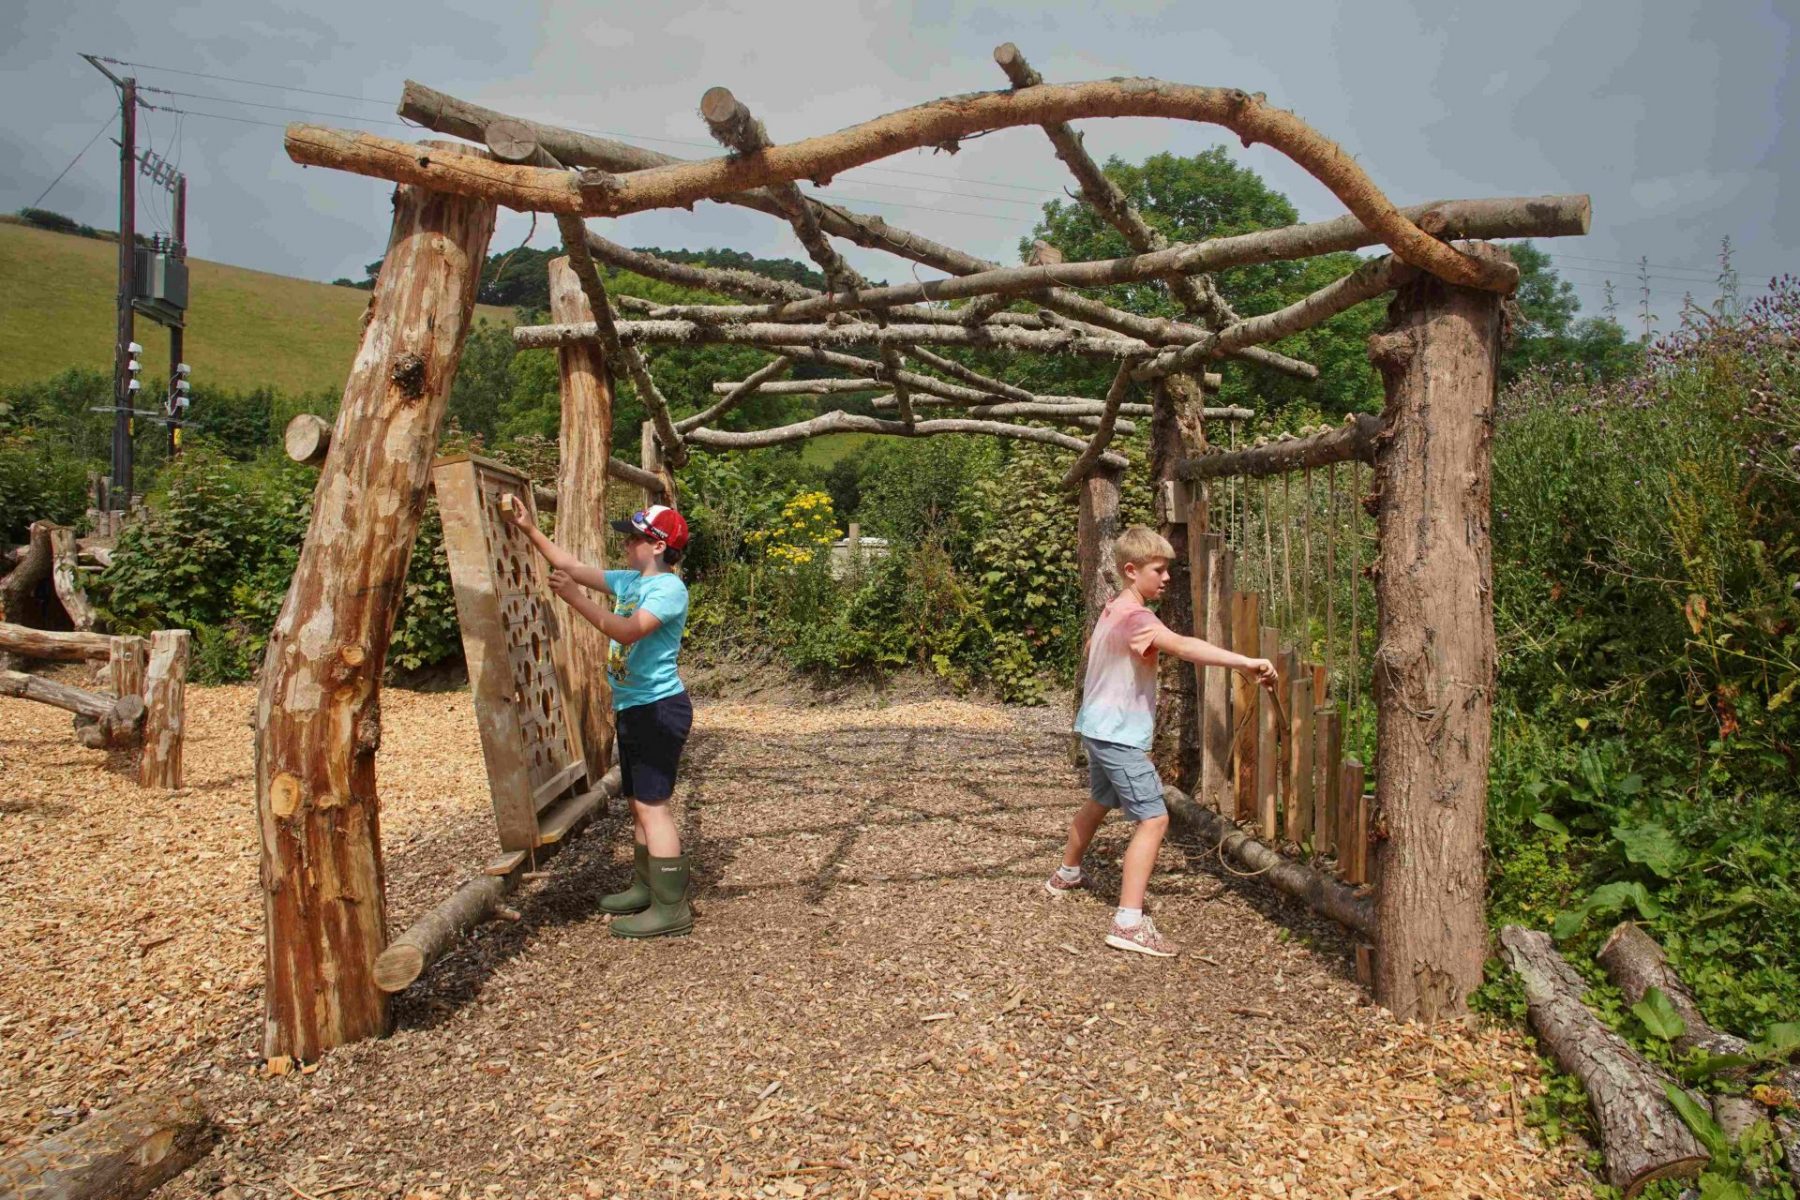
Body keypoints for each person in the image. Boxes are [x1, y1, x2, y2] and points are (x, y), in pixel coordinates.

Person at [1046, 526, 1278, 958]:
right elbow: (1184, 646)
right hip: (1116, 736)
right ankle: (1128, 922)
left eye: (1168, 569)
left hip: (1097, 728)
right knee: (1153, 819)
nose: (1167, 577)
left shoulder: (1113, 609)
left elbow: (1094, 650)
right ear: (1131, 571)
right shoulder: (1139, 618)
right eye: (1159, 569)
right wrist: (1244, 662)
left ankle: (1067, 873)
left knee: (1099, 800)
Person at [506, 495, 696, 939]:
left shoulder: (668, 589)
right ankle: (647, 886)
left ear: (658, 547)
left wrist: (576, 601)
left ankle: (673, 908)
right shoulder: (631, 582)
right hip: (634, 707)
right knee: (637, 804)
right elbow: (571, 566)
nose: (627, 545)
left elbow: (626, 631)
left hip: (657, 709)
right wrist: (530, 528)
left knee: (654, 807)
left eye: (635, 538)